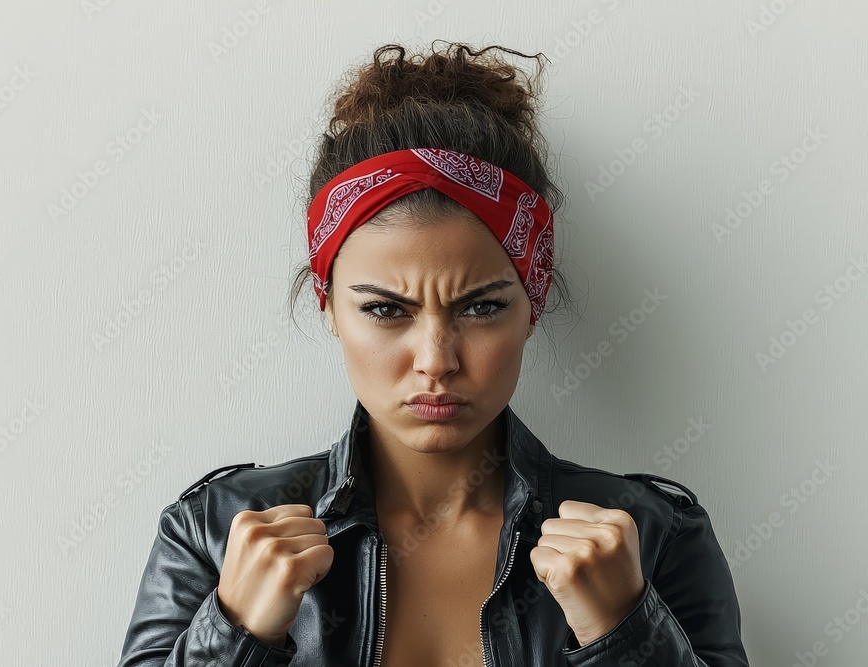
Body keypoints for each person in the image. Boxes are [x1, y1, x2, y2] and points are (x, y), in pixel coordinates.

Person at [117, 41, 749, 666]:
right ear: (328, 306)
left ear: (534, 305)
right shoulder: (213, 533)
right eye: (386, 309)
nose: (435, 360)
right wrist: (236, 635)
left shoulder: (655, 537)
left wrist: (622, 635)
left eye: (481, 307)